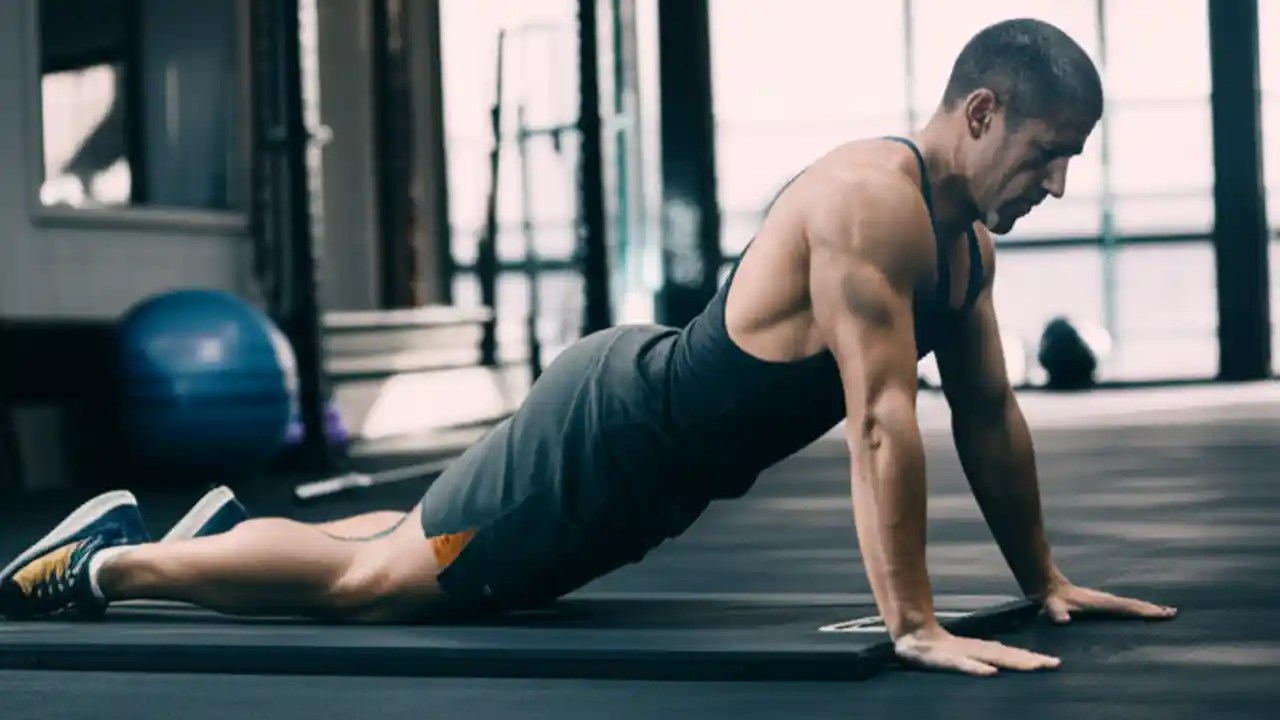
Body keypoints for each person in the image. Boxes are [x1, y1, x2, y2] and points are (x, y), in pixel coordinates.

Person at [0, 18, 1177, 677]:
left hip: (643, 466)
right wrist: (914, 623)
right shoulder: (867, 200)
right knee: (376, 587)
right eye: (1044, 151)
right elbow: (878, 421)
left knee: (401, 544)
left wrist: (1042, 583)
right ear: (977, 114)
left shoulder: (963, 248)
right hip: (606, 443)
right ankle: (107, 565)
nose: (1058, 183)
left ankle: (212, 546)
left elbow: (987, 417)